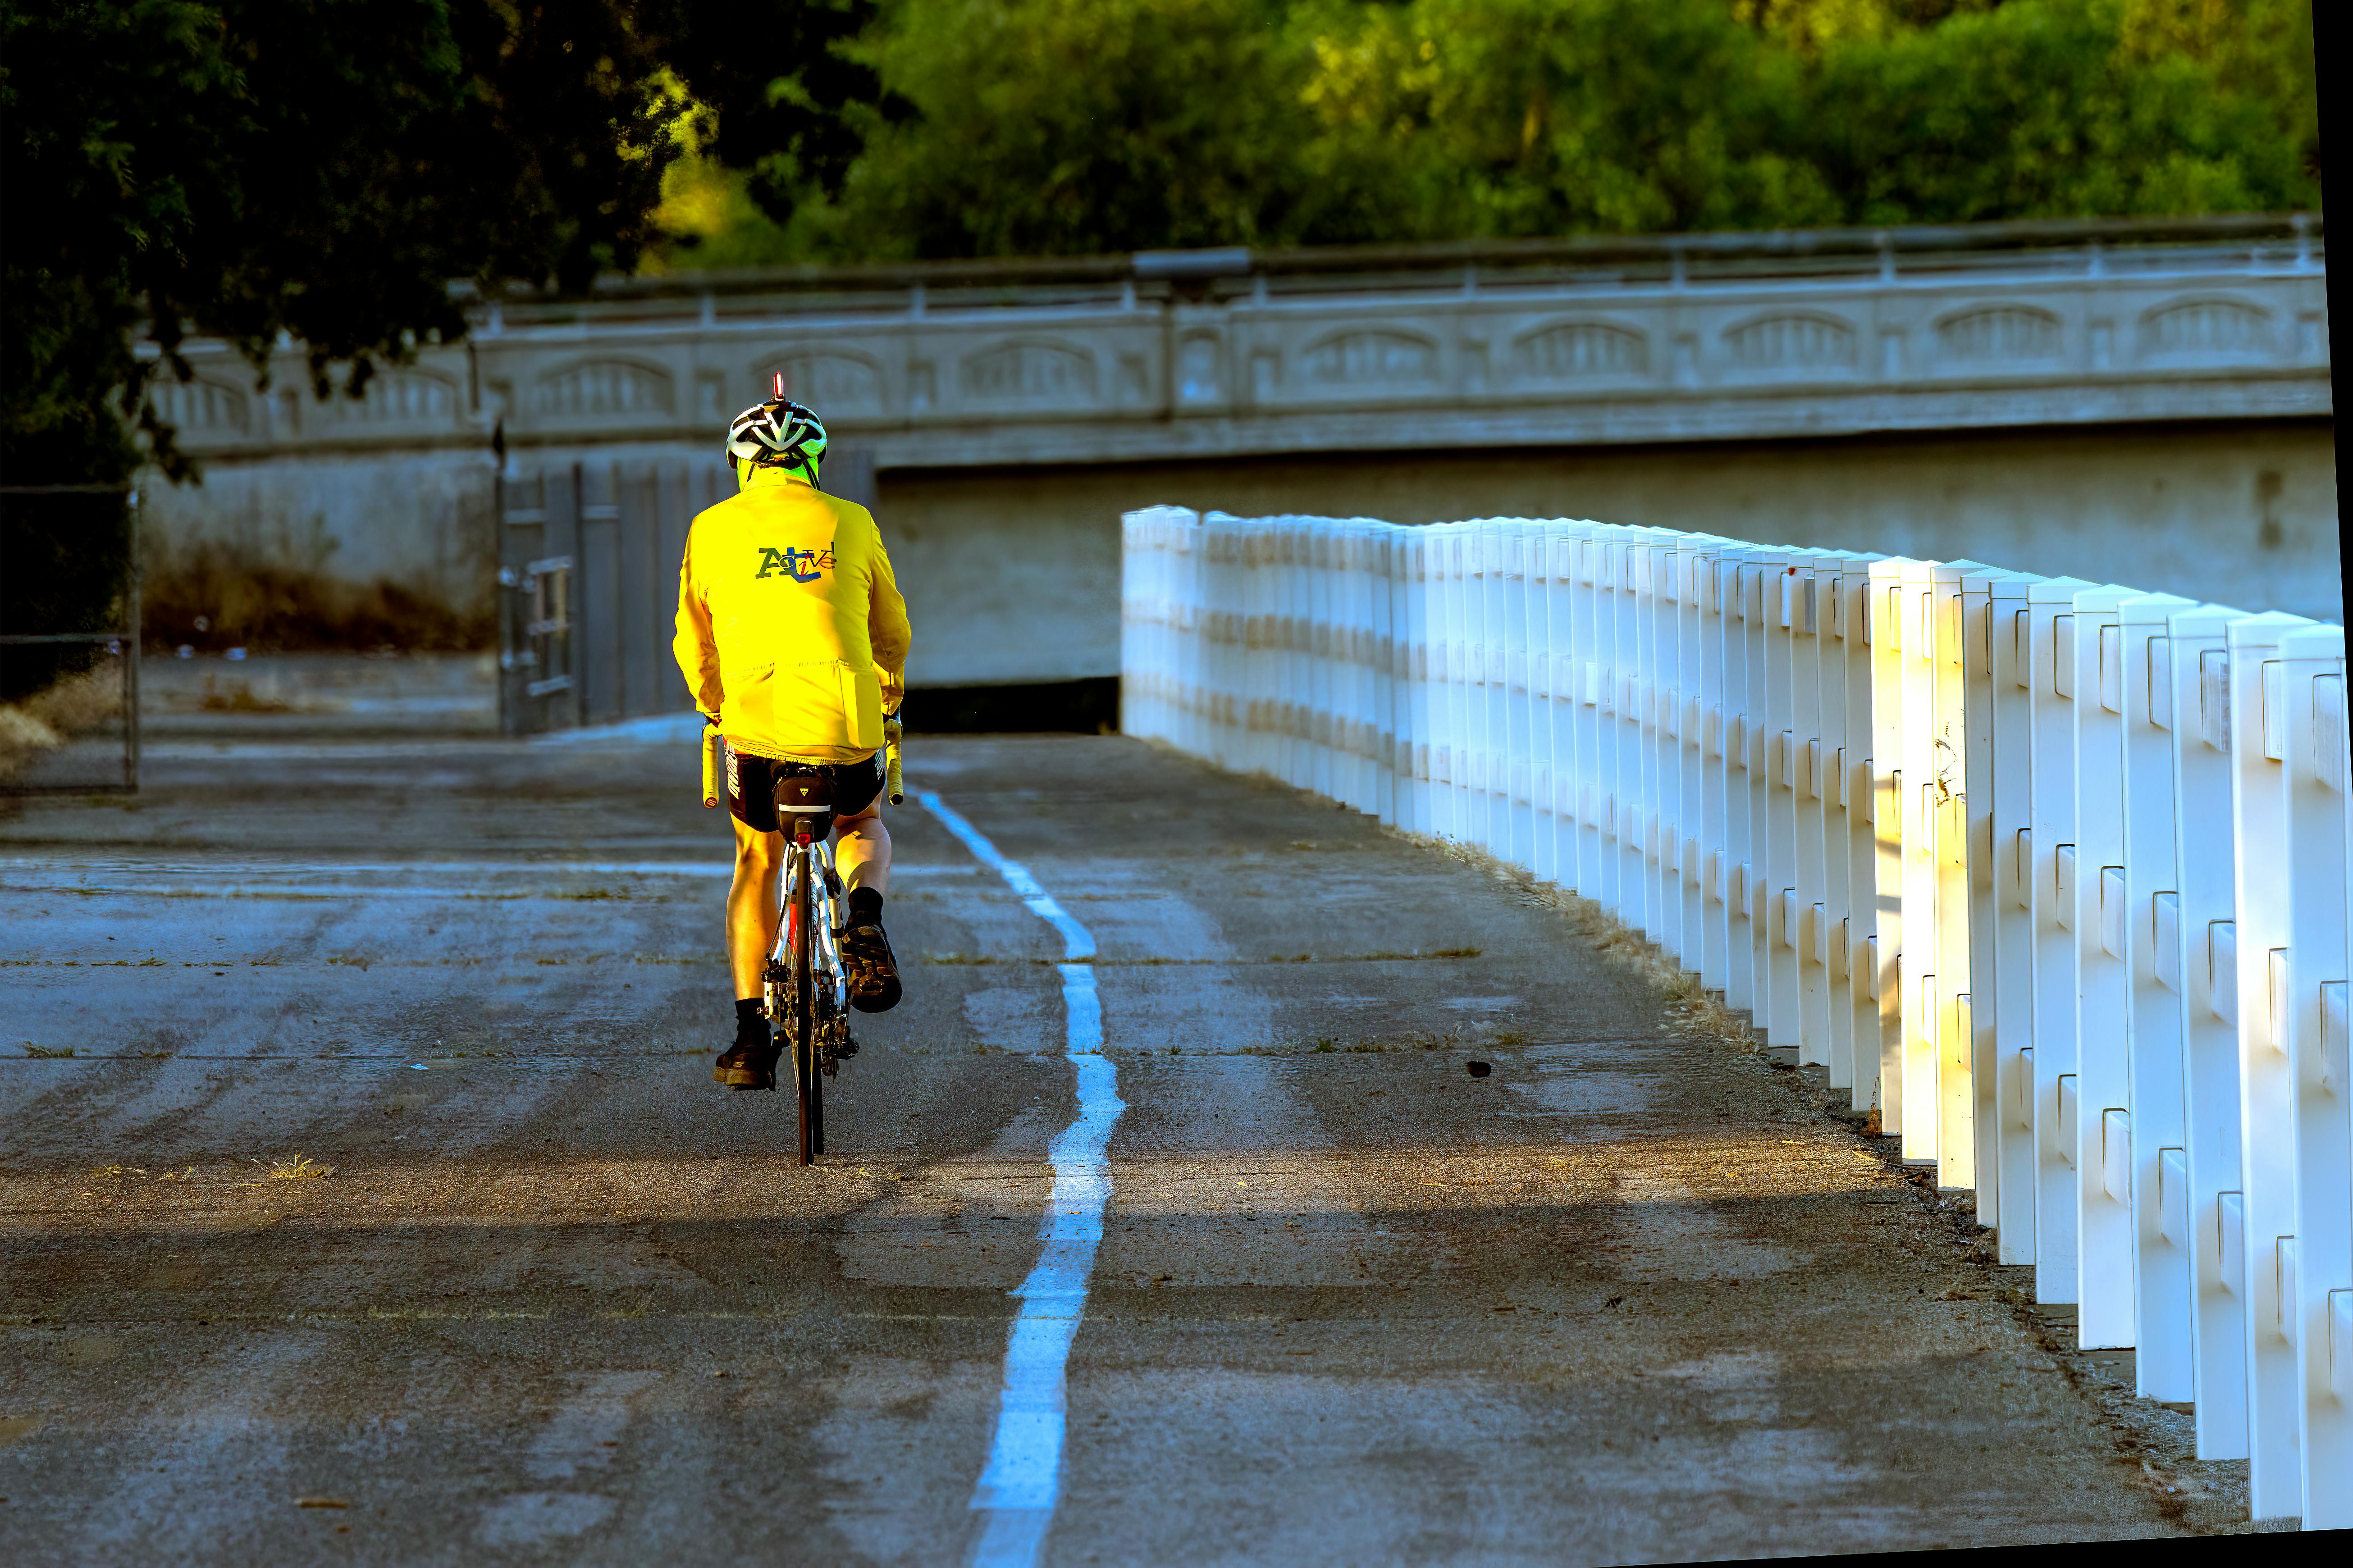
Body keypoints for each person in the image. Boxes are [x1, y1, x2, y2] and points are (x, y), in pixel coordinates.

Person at [673, 387, 911, 1090]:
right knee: (862, 820)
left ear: (740, 465)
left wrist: (716, 708)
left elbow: (696, 639)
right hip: (844, 717)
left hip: (755, 720)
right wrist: (888, 688)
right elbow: (889, 628)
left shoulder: (711, 528)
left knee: (756, 862)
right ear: (813, 462)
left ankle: (751, 1037)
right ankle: (862, 921)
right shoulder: (852, 520)